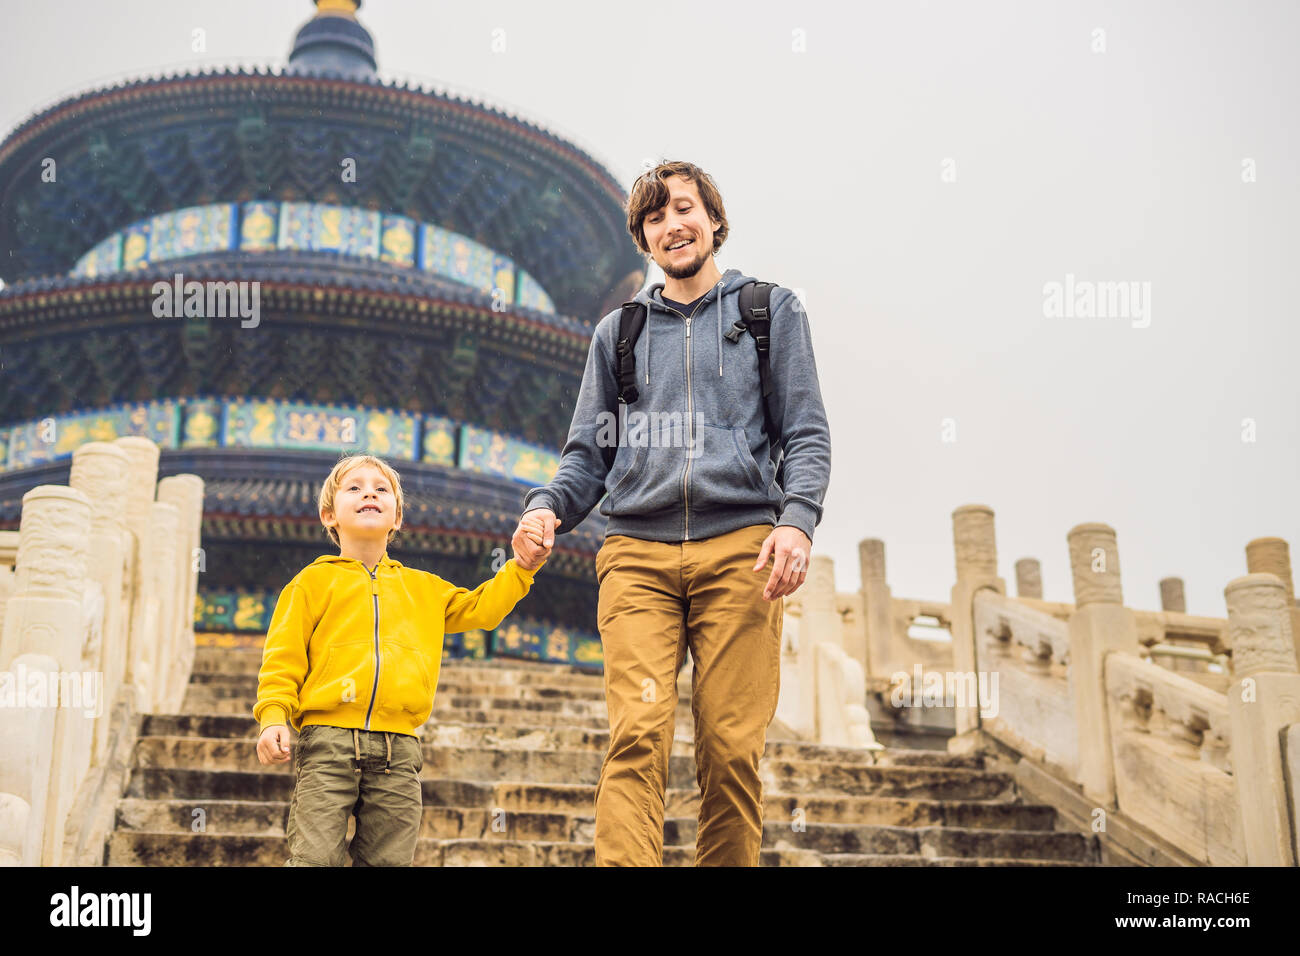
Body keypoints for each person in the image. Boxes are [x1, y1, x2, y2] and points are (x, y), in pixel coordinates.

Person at [513, 160, 832, 866]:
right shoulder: (616, 334)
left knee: (730, 750)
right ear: (644, 240)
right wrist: (546, 509)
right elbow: (585, 456)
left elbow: (806, 431)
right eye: (654, 218)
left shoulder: (769, 312)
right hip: (636, 558)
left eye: (683, 209)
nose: (671, 225)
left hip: (741, 552)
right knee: (636, 737)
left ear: (714, 221)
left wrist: (797, 518)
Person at [254, 453, 550, 866]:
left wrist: (521, 568)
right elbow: (282, 661)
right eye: (354, 488)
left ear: (397, 518)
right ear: (329, 515)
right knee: (315, 858)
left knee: (389, 861)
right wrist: (272, 717)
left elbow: (481, 609)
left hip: (399, 750)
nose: (369, 493)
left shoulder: (424, 589)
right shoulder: (310, 583)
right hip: (327, 741)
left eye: (381, 489)